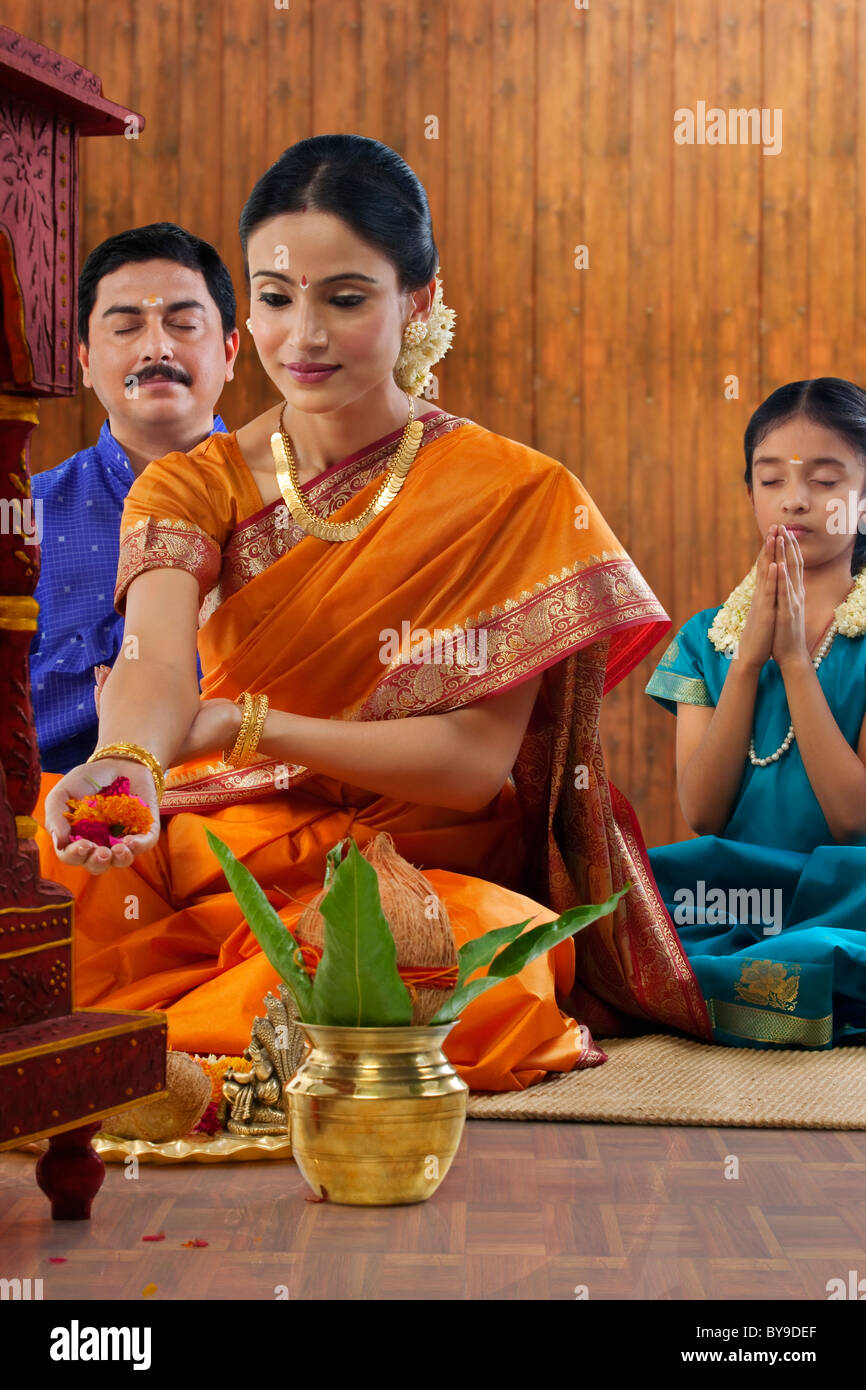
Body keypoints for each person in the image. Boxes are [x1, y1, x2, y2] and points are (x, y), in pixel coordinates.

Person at [34, 134, 710, 1092]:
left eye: (344, 299)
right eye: (274, 298)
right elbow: (150, 657)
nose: (302, 337)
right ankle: (231, 1046)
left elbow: (472, 768)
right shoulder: (197, 482)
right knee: (36, 869)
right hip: (215, 842)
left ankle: (183, 1053)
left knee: (489, 965)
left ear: (418, 301)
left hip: (410, 873)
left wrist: (246, 723)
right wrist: (127, 766)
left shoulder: (510, 492)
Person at [645, 378, 866, 1050]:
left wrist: (796, 662)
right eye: (771, 480)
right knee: (613, 923)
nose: (795, 499)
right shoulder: (704, 639)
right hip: (732, 891)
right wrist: (747, 663)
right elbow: (704, 813)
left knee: (818, 950)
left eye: (826, 480)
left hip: (846, 893)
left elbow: (855, 820)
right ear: (750, 493)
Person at [30, 224, 237, 773]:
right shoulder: (24, 519)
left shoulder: (301, 508)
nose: (157, 349)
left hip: (256, 824)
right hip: (55, 829)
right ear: (84, 360)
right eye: (125, 328)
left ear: (231, 351)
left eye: (185, 325)